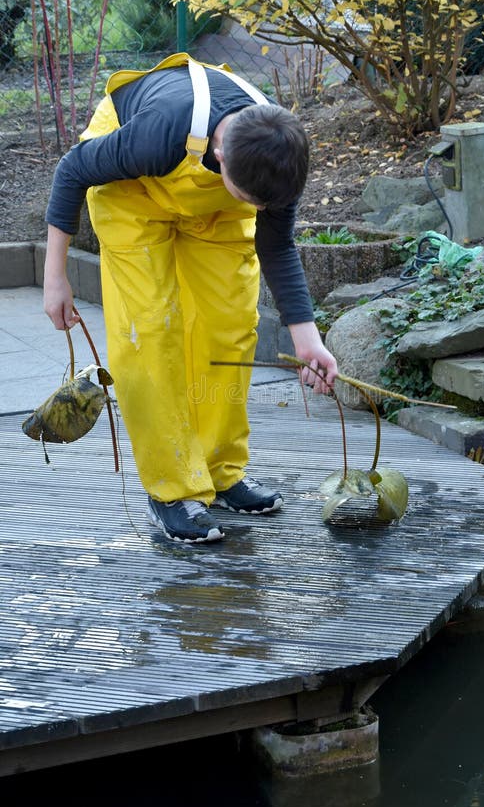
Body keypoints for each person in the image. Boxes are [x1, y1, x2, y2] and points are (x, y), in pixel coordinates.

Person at [43, 52, 338, 545]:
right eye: (252, 202)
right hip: (131, 193)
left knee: (229, 325)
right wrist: (56, 276)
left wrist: (307, 339)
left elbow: (276, 244)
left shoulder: (275, 154)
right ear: (221, 157)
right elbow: (72, 170)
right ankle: (172, 489)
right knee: (150, 333)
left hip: (210, 205)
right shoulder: (157, 134)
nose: (262, 212)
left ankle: (221, 472)